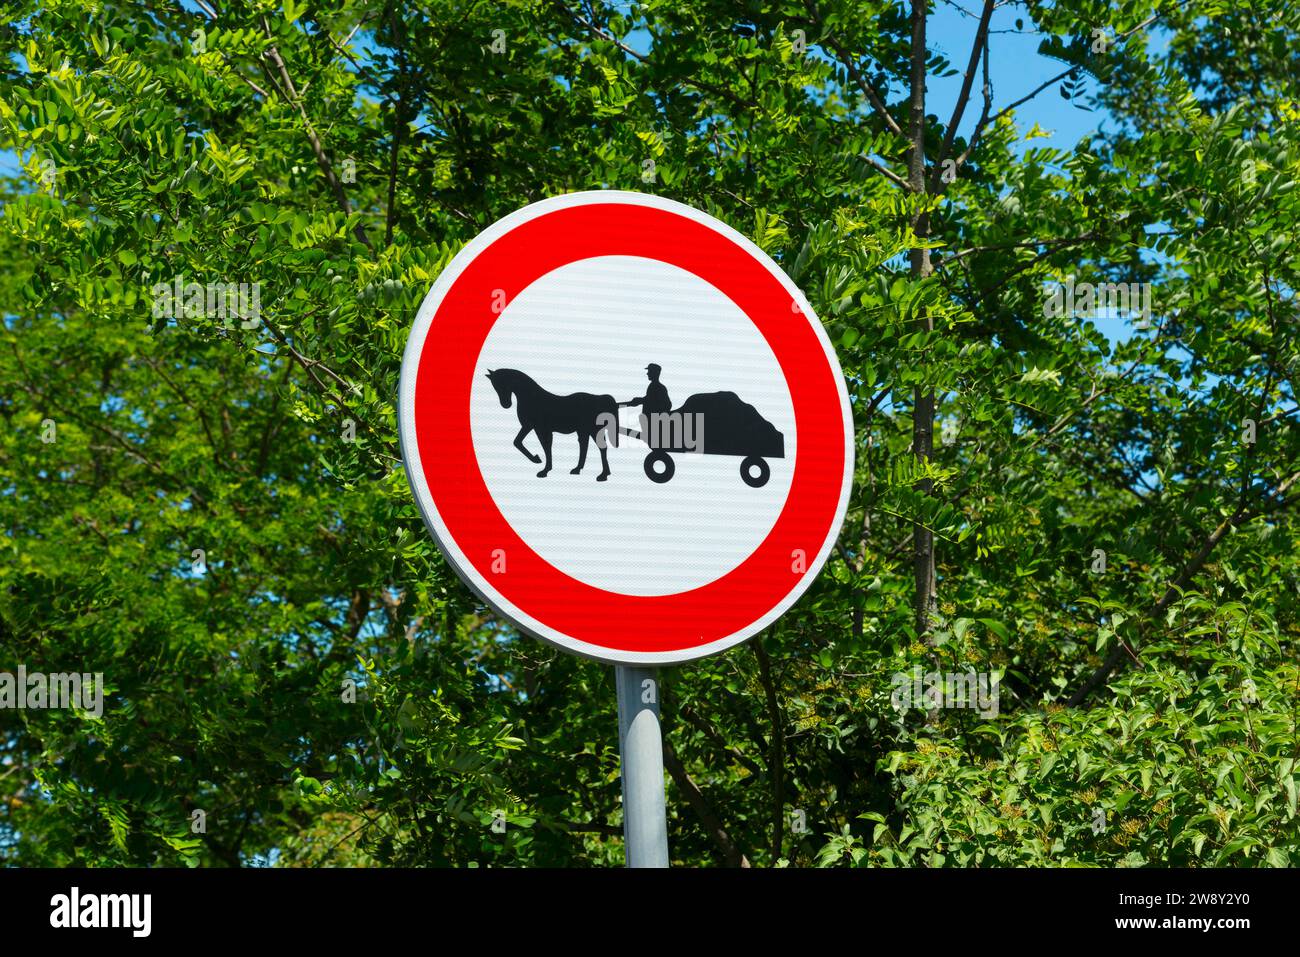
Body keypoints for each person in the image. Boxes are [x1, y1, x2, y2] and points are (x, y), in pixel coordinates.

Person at [622, 363, 672, 447]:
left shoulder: (656, 387)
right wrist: (640, 400)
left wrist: (642, 400)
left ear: (654, 373)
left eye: (649, 371)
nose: (647, 373)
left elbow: (665, 404)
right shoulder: (655, 386)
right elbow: (649, 399)